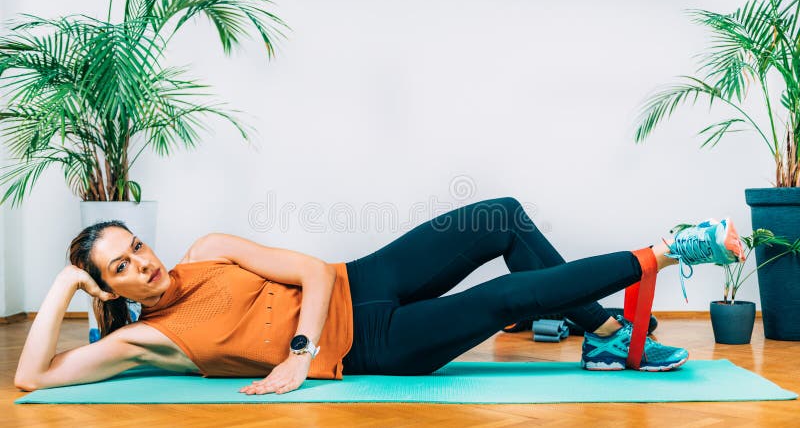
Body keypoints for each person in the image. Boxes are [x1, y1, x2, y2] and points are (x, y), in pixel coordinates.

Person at [14, 197, 745, 395]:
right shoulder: (143, 342)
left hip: (364, 280)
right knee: (504, 297)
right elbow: (32, 377)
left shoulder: (208, 250)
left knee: (501, 216)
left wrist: (299, 351)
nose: (143, 264)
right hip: (373, 348)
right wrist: (64, 282)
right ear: (110, 290)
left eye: (134, 246)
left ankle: (609, 335)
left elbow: (317, 272)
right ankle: (671, 248)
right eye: (119, 268)